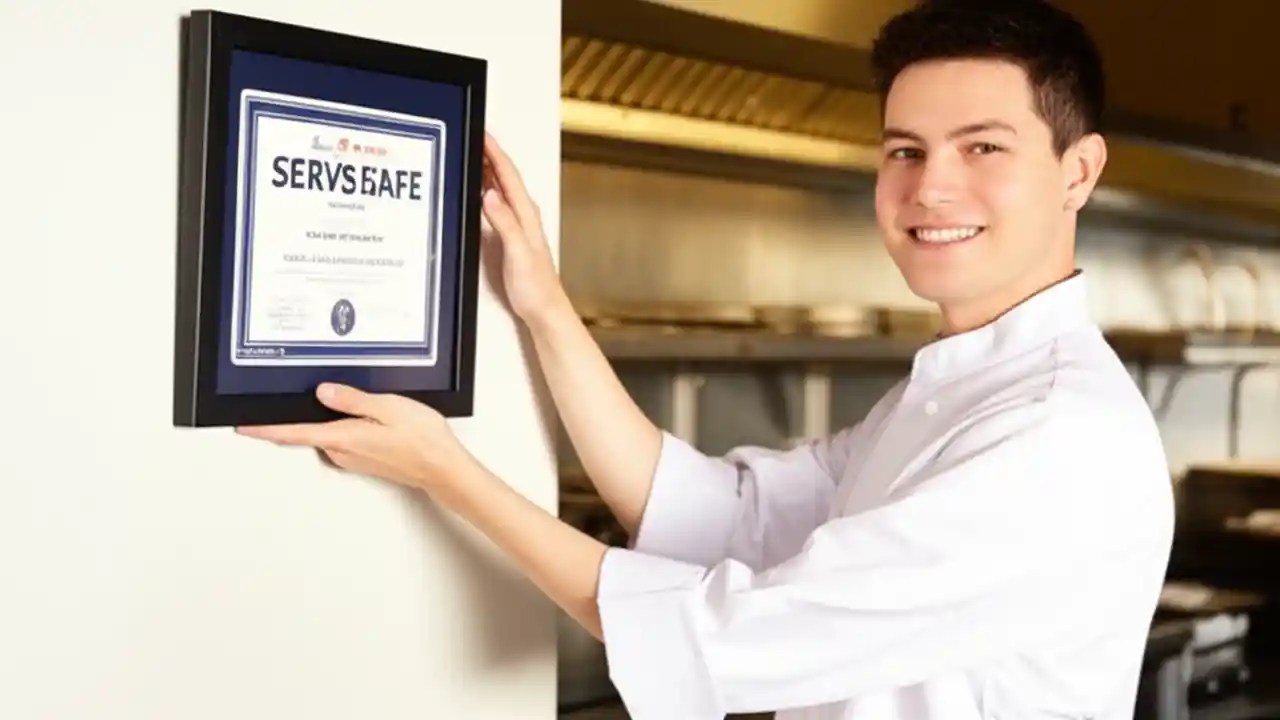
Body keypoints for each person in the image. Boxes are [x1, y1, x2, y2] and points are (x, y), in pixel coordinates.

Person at [238, 0, 1175, 717]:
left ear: (1078, 170)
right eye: (904, 149)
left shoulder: (1059, 438)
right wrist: (542, 303)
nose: (931, 185)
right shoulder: (952, 388)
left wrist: (446, 472)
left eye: (982, 146)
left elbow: (720, 635)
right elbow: (719, 515)